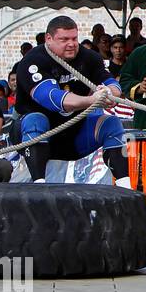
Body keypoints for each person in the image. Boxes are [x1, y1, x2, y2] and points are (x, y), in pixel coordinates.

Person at [12, 16, 131, 186]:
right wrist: (92, 100)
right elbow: (52, 98)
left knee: (111, 123)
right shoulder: (33, 60)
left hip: (73, 135)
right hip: (33, 135)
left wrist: (109, 92)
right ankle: (39, 186)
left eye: (74, 38)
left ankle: (124, 186)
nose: (71, 44)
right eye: (64, 39)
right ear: (49, 39)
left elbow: (112, 84)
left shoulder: (89, 57)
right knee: (36, 120)